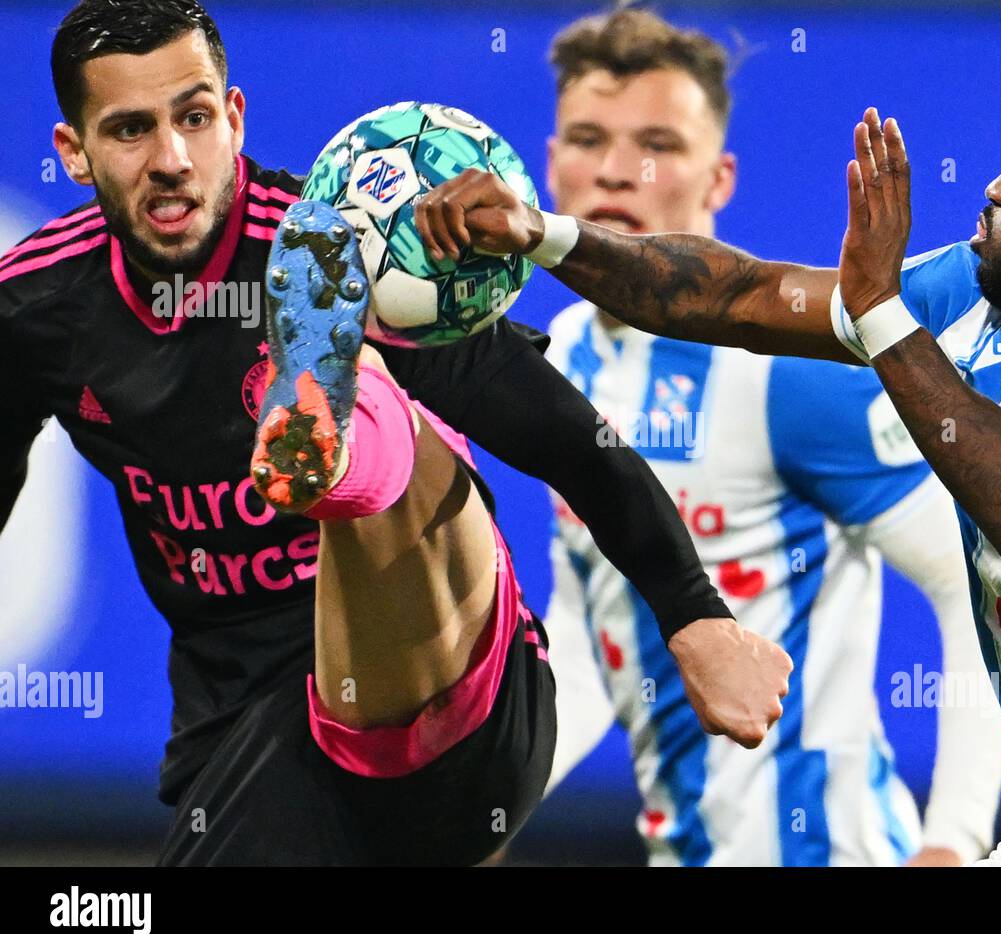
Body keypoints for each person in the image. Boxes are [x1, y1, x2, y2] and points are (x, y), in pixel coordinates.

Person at [416, 12, 1001, 866]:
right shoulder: (983, 303)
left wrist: (880, 312)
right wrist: (543, 236)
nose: (995, 185)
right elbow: (736, 297)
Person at [0, 0, 790, 865]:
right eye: (128, 130)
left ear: (233, 116)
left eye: (193, 117)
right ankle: (327, 416)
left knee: (350, 349)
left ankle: (332, 417)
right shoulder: (37, 308)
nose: (172, 160)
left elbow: (569, 439)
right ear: (73, 152)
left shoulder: (350, 248)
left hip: (461, 680)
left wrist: (696, 618)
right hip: (251, 727)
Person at [536, 9, 1001, 866]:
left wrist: (954, 842)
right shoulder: (562, 359)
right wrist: (475, 805)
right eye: (587, 137)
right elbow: (587, 628)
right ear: (548, 165)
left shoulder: (784, 375)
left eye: (658, 143)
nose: (617, 170)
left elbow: (980, 590)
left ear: (719, 181)